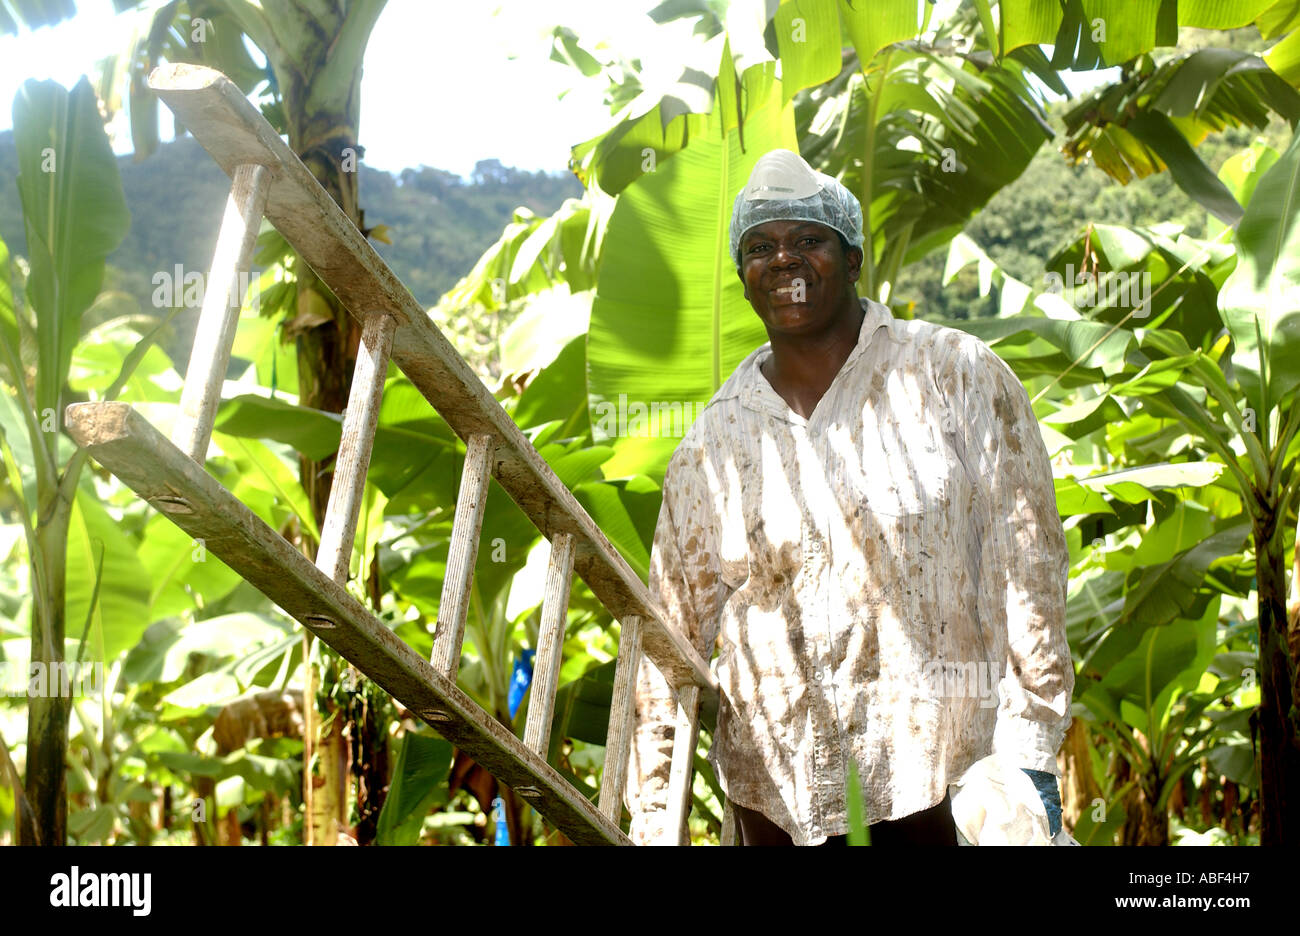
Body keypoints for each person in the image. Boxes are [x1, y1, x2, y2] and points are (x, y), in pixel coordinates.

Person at [623, 149, 1074, 846]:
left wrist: (1032, 753)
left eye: (809, 240)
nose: (784, 260)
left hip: (947, 795)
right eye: (760, 247)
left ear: (853, 256)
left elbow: (1030, 565)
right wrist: (655, 815)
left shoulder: (956, 376)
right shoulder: (714, 444)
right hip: (773, 805)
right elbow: (669, 636)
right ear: (743, 277)